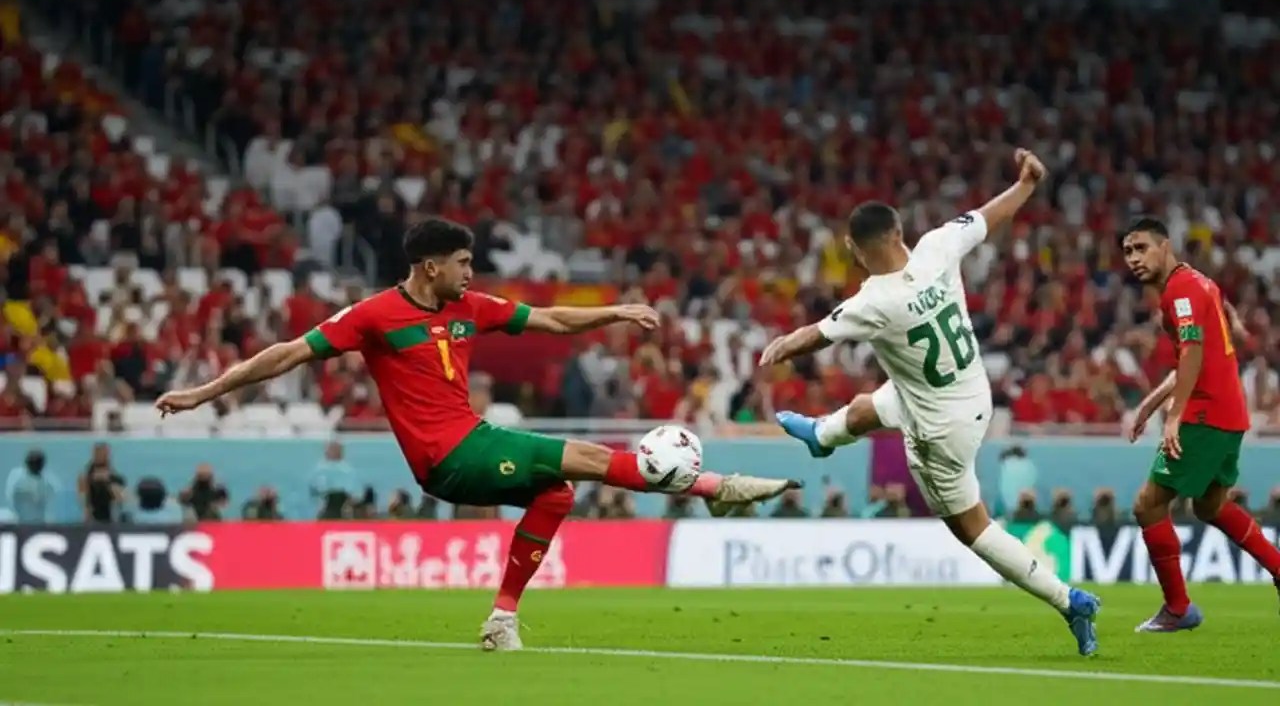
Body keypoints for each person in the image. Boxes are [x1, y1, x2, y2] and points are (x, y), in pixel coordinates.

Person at [154, 217, 795, 651]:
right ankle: (715, 487)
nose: (470, 271)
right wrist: (205, 393)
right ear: (429, 266)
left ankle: (501, 619)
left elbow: (546, 319)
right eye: (461, 262)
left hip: (472, 440)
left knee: (557, 495)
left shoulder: (469, 308)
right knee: (589, 458)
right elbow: (287, 353)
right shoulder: (375, 315)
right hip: (448, 453)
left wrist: (613, 312)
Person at [760, 148, 1102, 657]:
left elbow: (818, 335)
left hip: (940, 427)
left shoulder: (872, 301)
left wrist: (783, 344)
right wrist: (1027, 184)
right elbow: (988, 217)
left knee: (972, 528)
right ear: (899, 233)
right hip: (969, 392)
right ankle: (822, 436)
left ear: (854, 249)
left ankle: (1068, 600)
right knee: (866, 407)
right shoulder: (938, 245)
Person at [1121, 217, 1280, 632]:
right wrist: (1152, 402)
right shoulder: (1199, 283)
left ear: (1165, 245)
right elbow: (1198, 354)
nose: (1134, 259)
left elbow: (1192, 352)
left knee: (1148, 504)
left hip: (1205, 415)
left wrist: (1173, 417)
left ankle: (1178, 608)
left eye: (1141, 248)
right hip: (1230, 414)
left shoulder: (1180, 291)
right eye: (1128, 252)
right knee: (1210, 505)